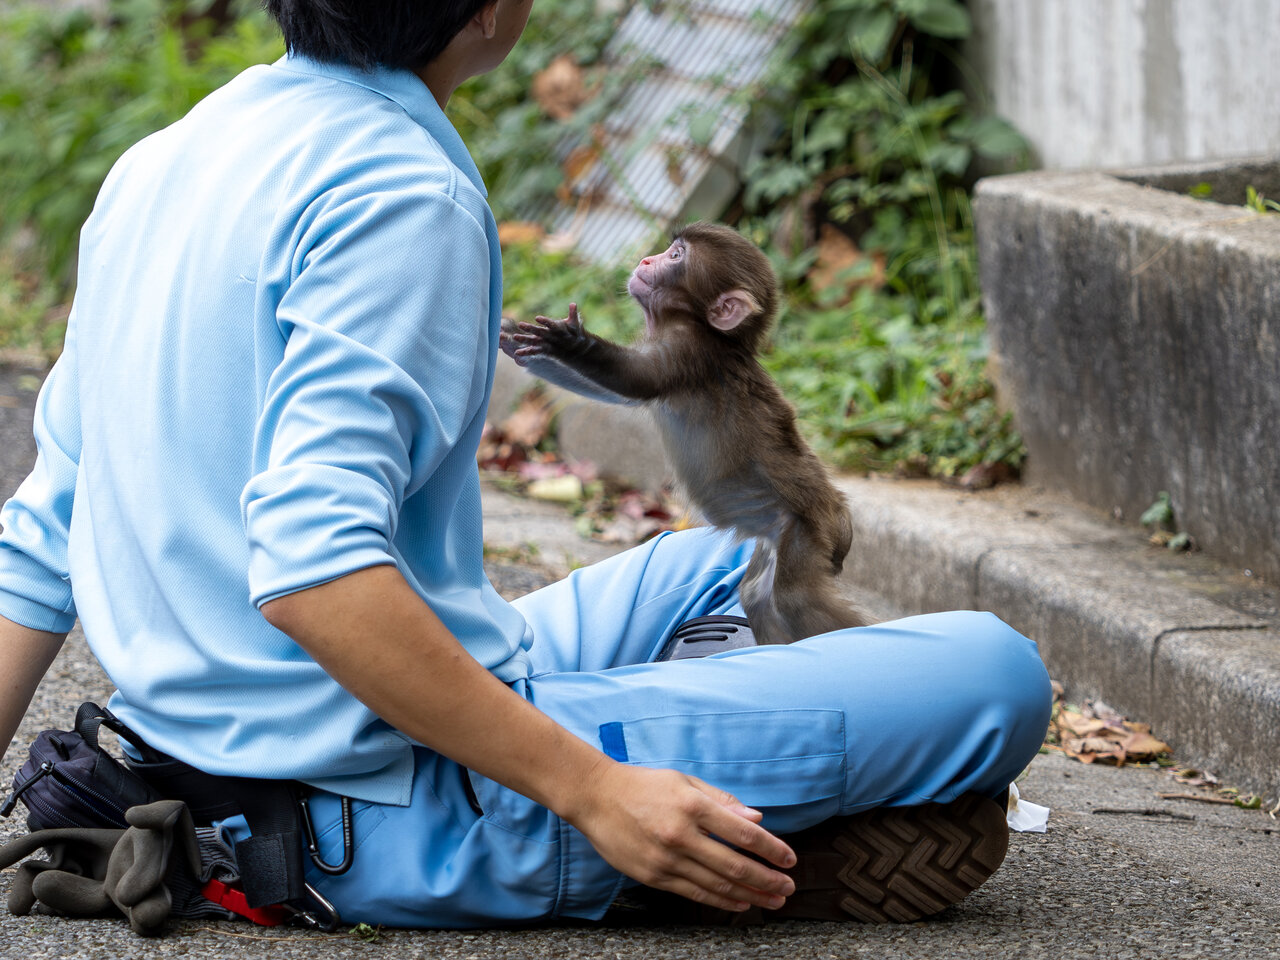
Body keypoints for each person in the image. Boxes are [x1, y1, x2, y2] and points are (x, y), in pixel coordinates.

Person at [0, 0, 1051, 929]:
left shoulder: (162, 160)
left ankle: (712, 781)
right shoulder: (398, 193)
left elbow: (45, 530)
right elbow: (313, 570)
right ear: (489, 12)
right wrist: (591, 786)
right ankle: (633, 827)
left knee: (720, 566)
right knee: (993, 674)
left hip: (227, 740)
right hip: (368, 801)